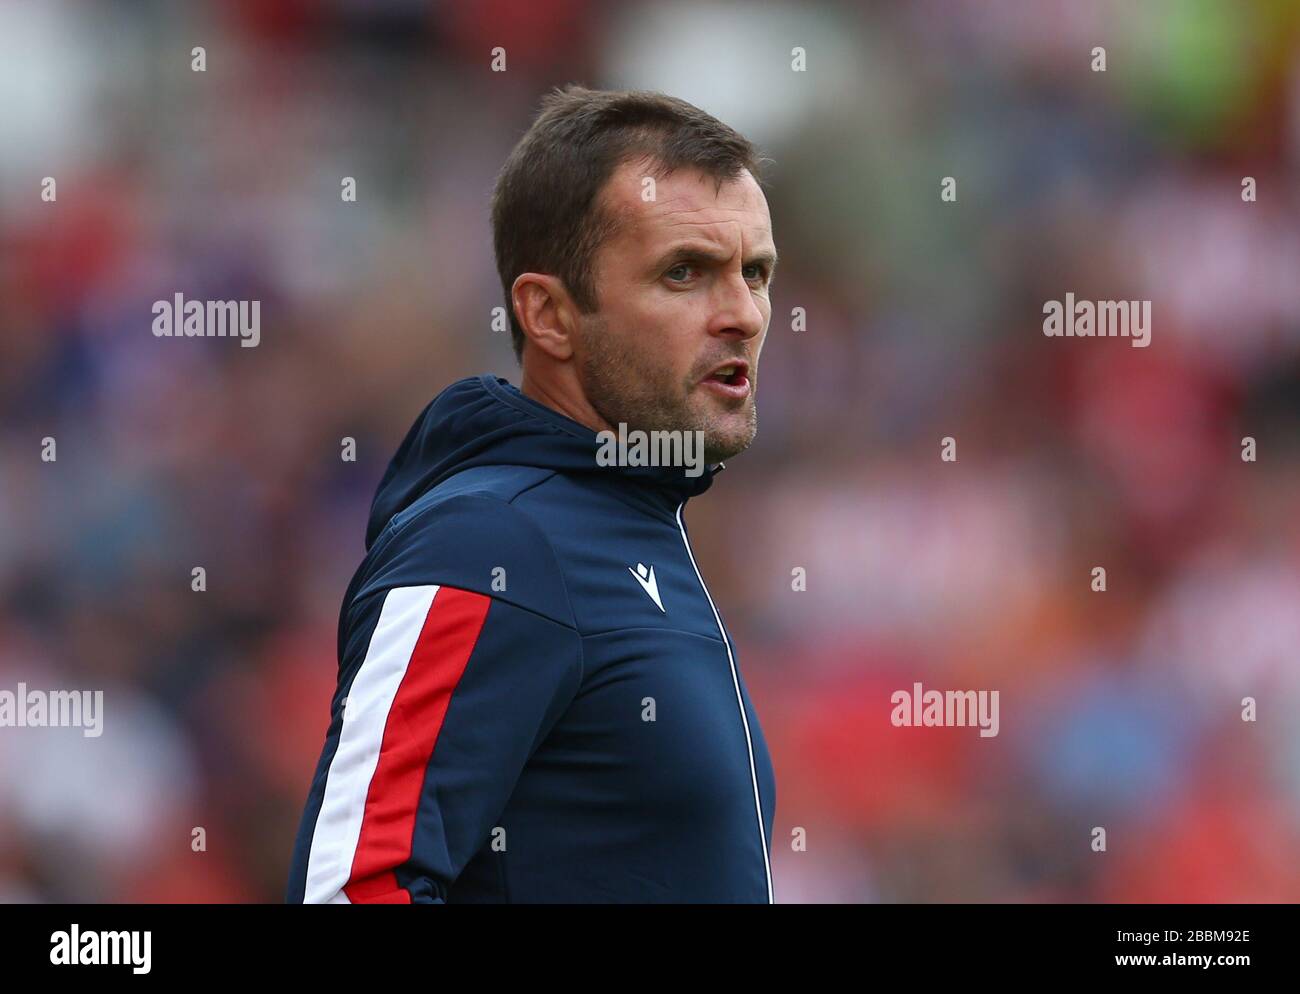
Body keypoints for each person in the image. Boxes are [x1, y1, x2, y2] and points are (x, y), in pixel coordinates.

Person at [287, 84, 778, 903]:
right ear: (548, 315)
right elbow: (353, 886)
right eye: (685, 273)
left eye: (754, 272)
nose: (744, 315)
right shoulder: (490, 541)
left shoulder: (632, 524)